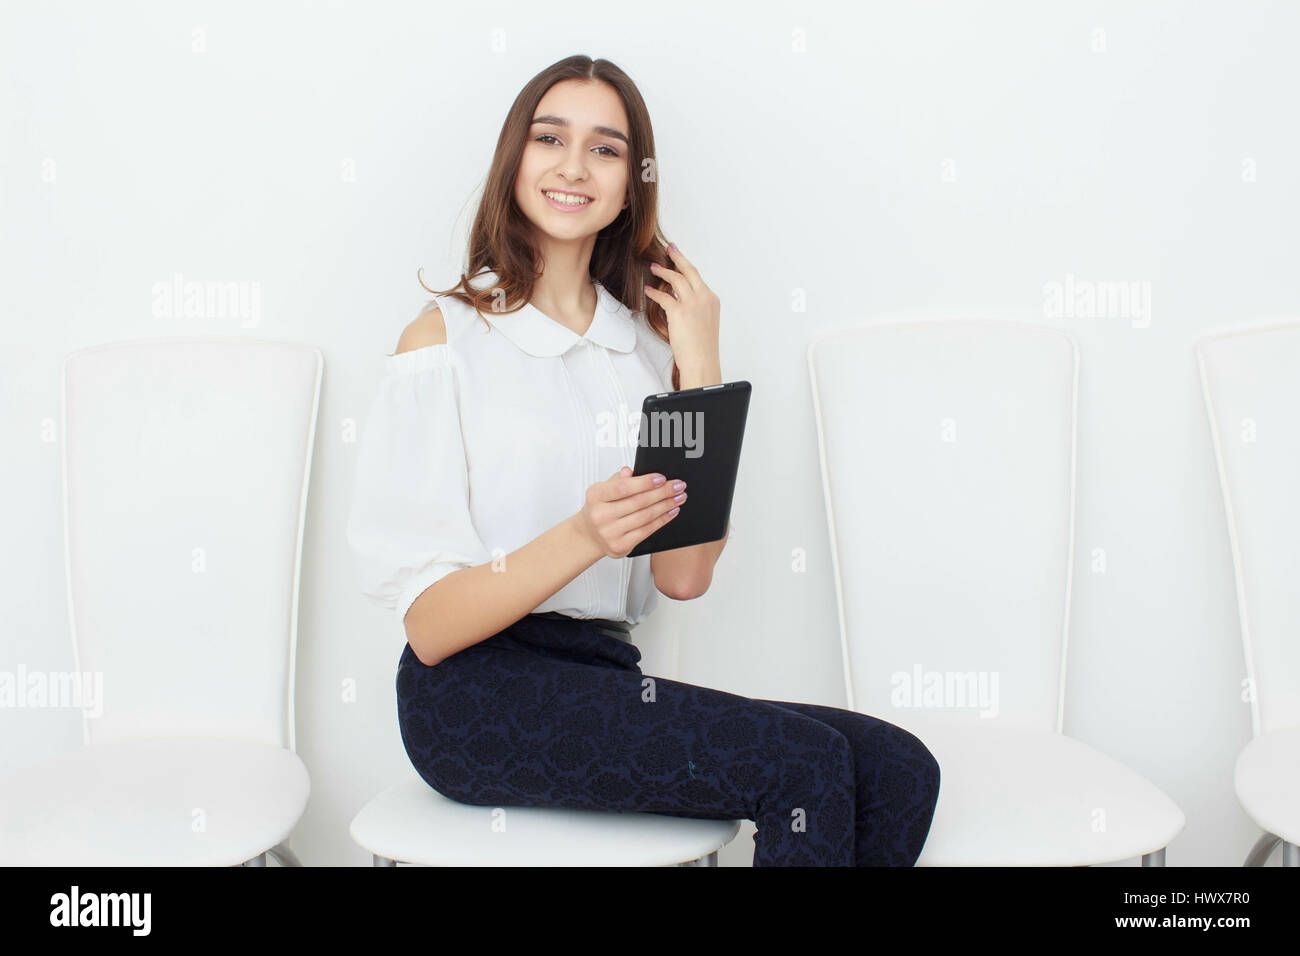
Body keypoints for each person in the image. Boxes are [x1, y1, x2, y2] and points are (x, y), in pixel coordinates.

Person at [346, 54, 940, 866]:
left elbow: (684, 576)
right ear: (514, 159)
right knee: (802, 765)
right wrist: (584, 535)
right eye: (549, 138)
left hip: (603, 679)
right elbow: (429, 627)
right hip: (472, 694)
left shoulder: (646, 355)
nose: (573, 166)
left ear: (631, 185)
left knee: (898, 769)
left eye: (605, 149)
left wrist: (700, 360)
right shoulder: (444, 342)